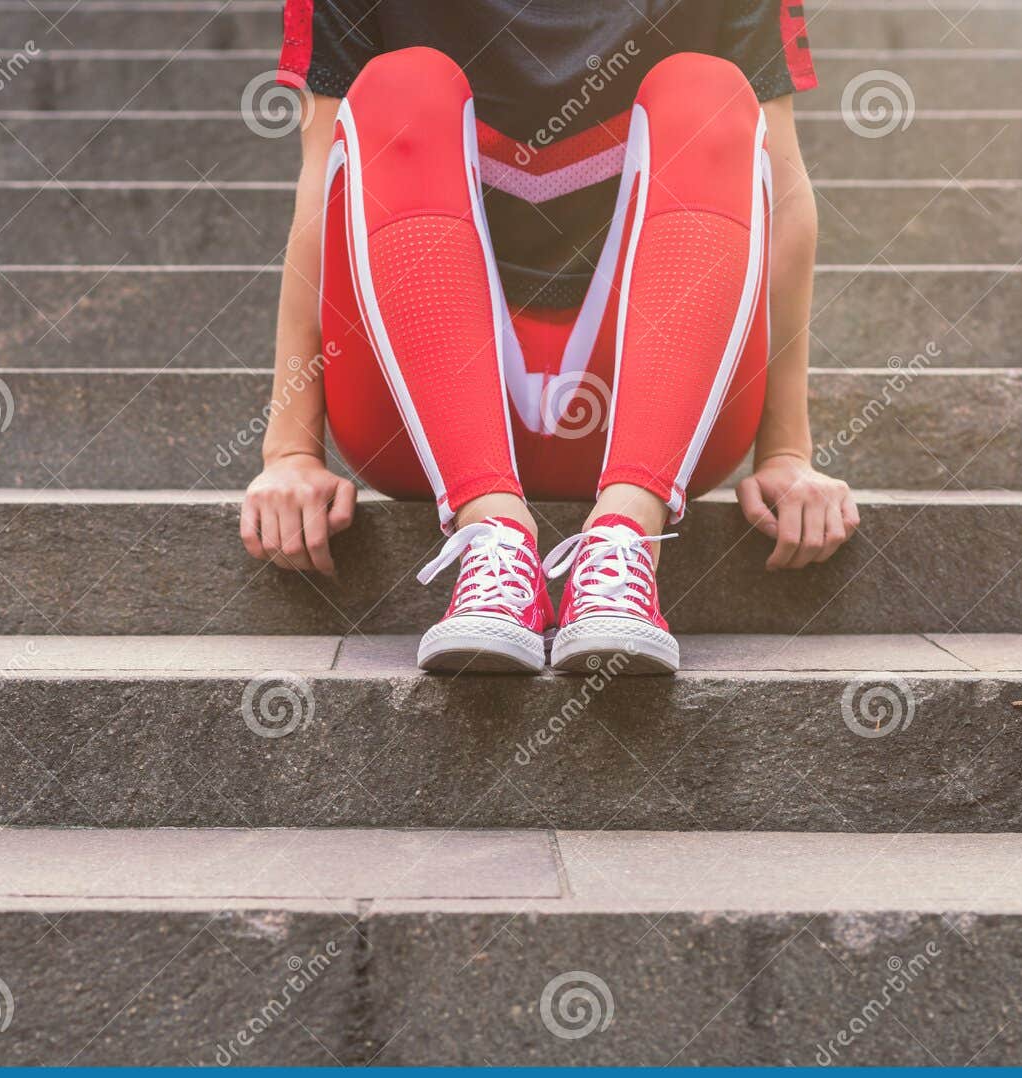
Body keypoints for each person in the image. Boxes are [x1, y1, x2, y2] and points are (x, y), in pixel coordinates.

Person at [240, 1, 857, 675]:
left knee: (706, 88)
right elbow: (326, 187)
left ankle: (627, 538)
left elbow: (781, 186)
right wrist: (291, 449)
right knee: (399, 84)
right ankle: (491, 533)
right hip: (419, 420)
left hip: (662, 417)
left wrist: (787, 450)